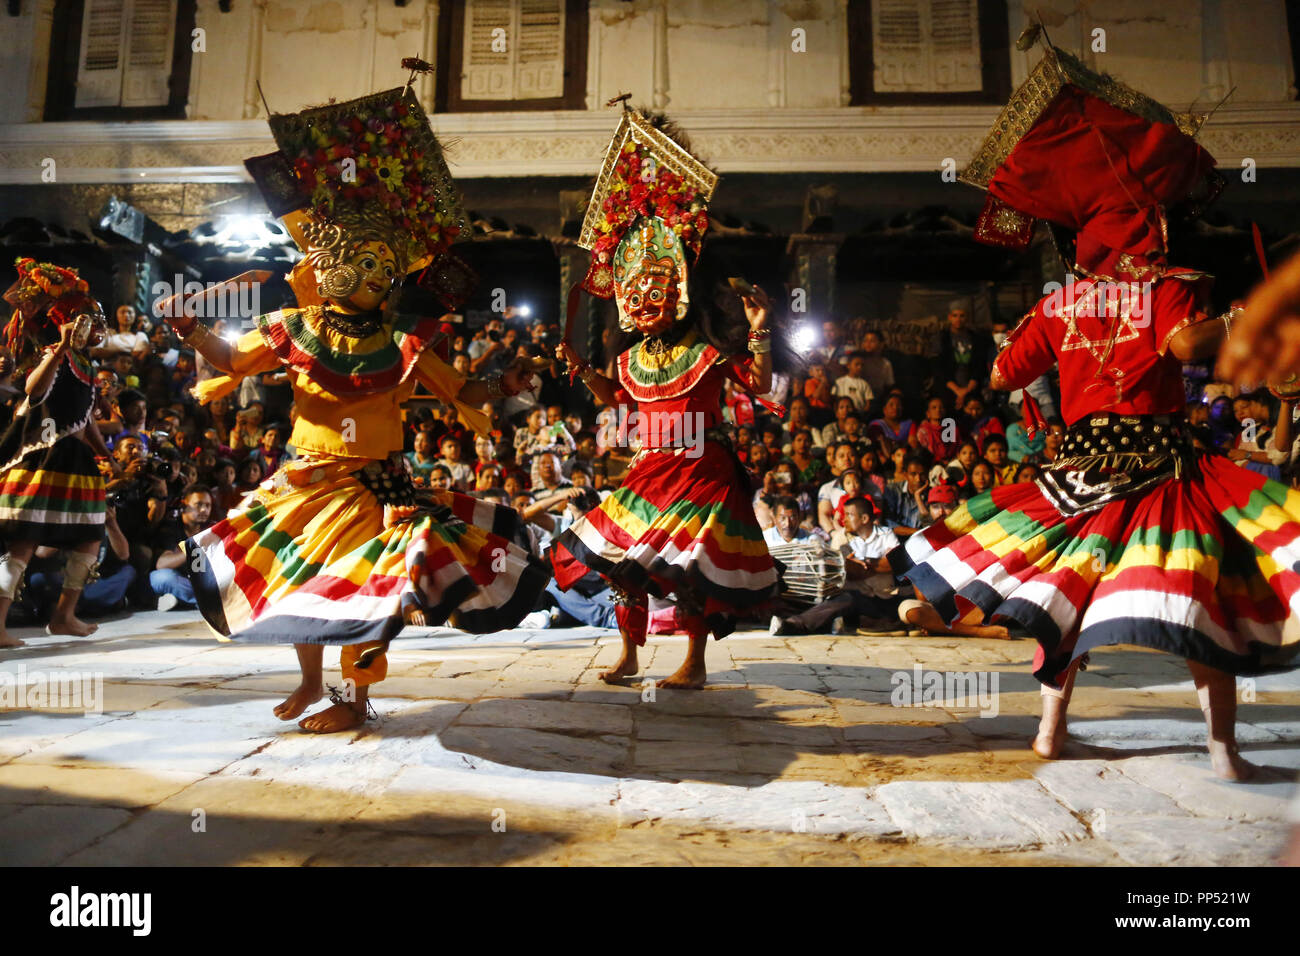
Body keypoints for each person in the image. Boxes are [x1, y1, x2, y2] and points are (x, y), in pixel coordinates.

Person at [894, 42, 1299, 780]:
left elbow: (1002, 372)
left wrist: (1029, 332)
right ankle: (1222, 751)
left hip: (1076, 470)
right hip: (1162, 466)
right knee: (1205, 603)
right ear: (1150, 227)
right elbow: (1182, 347)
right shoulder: (1168, 284)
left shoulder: (1061, 302)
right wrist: (1242, 320)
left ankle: (1050, 732)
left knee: (1066, 601)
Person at [172, 84, 549, 733]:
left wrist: (506, 378)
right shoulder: (294, 327)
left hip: (374, 485)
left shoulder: (401, 339)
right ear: (331, 264)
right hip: (302, 479)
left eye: (386, 264)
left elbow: (464, 396)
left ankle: (358, 698)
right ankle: (313, 683)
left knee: (366, 591)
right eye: (363, 259)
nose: (377, 271)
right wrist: (194, 333)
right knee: (300, 583)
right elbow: (233, 365)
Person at [552, 107, 778, 689]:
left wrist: (758, 328)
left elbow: (759, 385)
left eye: (657, 286)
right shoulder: (627, 358)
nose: (644, 297)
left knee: (689, 571)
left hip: (703, 470)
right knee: (623, 566)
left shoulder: (705, 351)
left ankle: (694, 665)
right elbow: (615, 401)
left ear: (677, 287)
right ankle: (629, 655)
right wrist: (581, 370)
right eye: (635, 289)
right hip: (648, 469)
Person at [0, 259, 119, 646]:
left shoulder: (85, 363)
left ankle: (64, 616)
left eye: (99, 323)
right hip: (44, 457)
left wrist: (107, 454)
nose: (98, 329)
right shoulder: (55, 351)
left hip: (76, 460)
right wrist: (63, 345)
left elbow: (83, 420)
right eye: (91, 321)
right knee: (25, 541)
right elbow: (34, 390)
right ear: (71, 323)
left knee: (89, 536)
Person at [151, 483, 216, 610]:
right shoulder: (170, 527)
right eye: (199, 505)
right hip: (179, 580)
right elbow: (162, 564)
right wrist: (194, 547)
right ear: (183, 505)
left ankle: (181, 600)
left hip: (202, 581)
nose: (204, 510)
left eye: (208, 505)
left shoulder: (211, 528)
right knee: (161, 577)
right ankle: (210, 601)